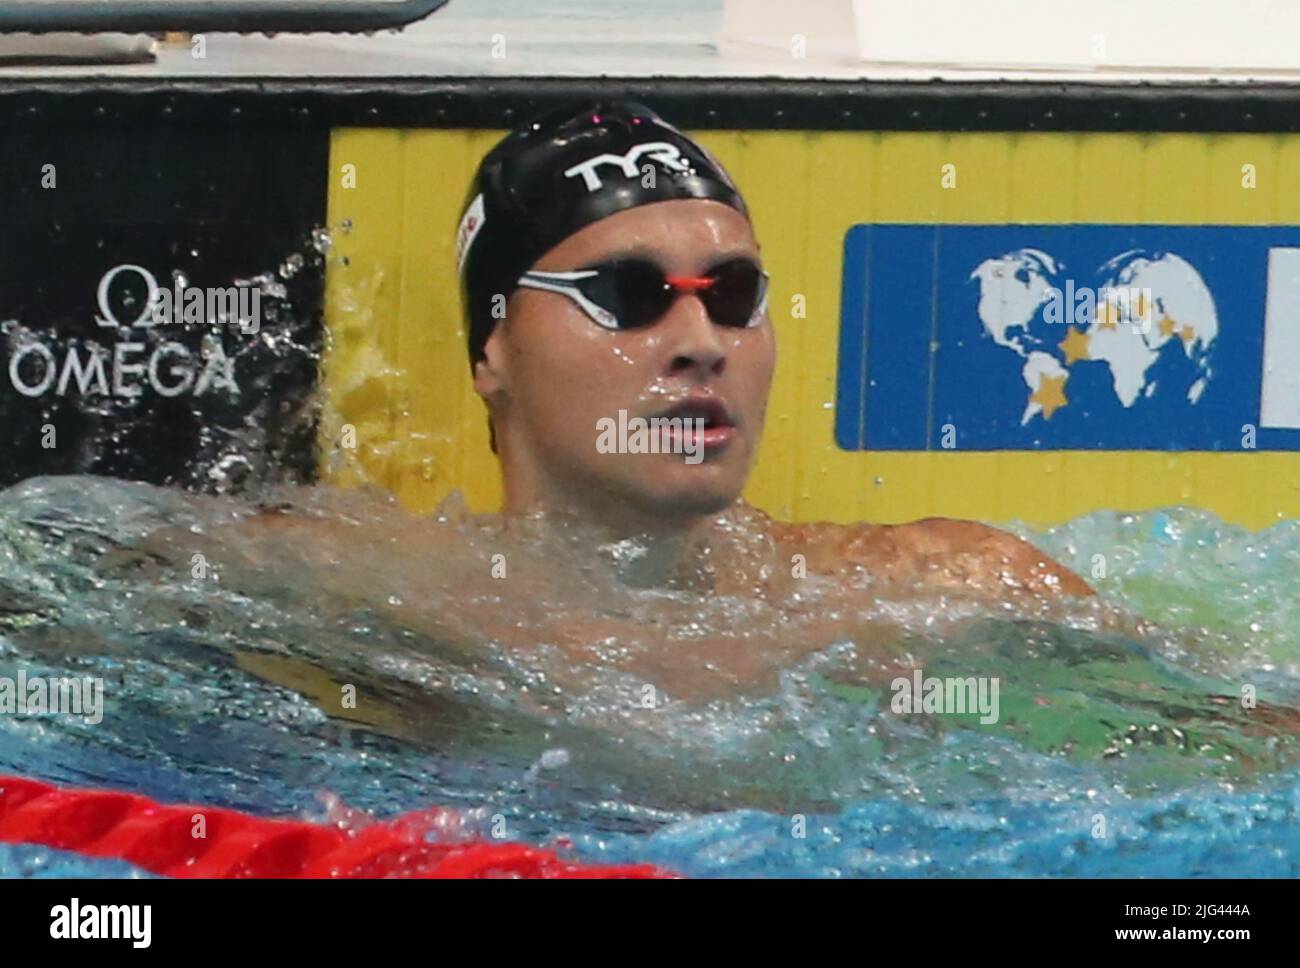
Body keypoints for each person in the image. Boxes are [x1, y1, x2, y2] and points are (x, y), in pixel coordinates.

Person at [456, 98, 1092, 602]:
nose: (702, 344)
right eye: (627, 294)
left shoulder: (954, 591)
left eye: (733, 296)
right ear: (494, 349)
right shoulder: (412, 614)